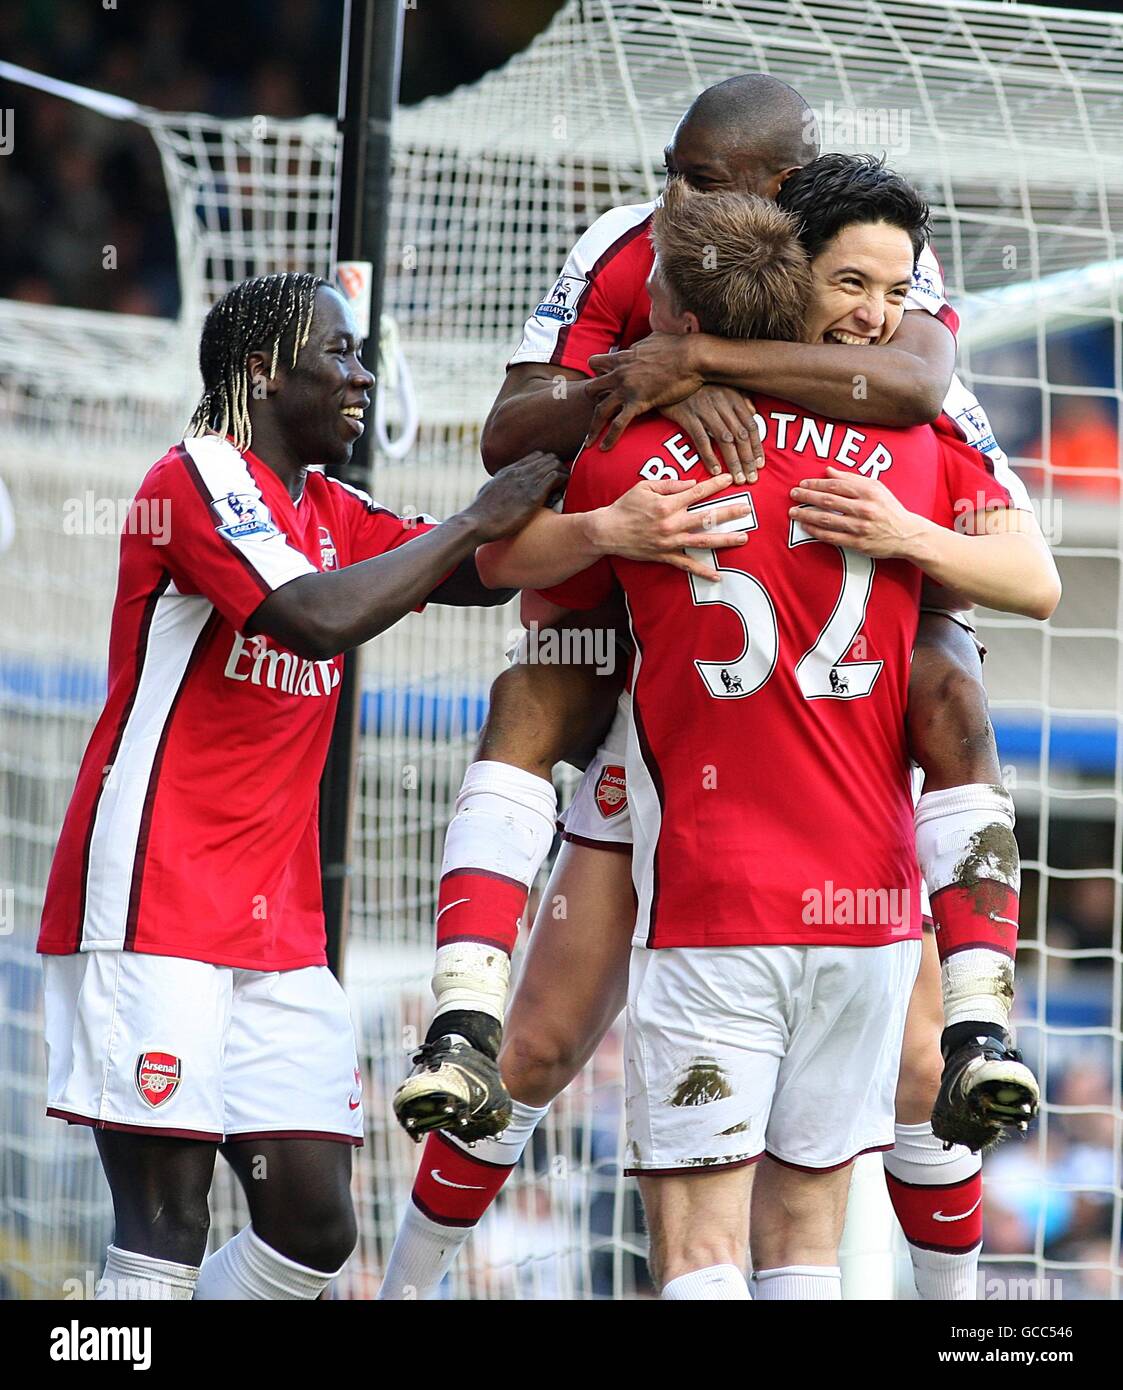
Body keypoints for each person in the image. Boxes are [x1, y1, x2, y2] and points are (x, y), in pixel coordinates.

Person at [385, 74, 1041, 1300]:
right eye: (671, 171)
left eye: (698, 177)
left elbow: (912, 381)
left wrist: (698, 362)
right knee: (540, 1042)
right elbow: (511, 428)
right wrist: (662, 386)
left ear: (781, 194)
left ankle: (975, 1054)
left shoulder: (865, 266)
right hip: (668, 685)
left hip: (807, 732)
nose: (670, 196)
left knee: (913, 1074)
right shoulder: (629, 247)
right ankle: (438, 1128)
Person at [36, 270, 719, 1301]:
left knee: (312, 1233)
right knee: (166, 1226)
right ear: (263, 372)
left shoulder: (327, 507)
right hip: (152, 899)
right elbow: (314, 617)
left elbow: (467, 572)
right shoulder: (196, 476)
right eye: (339, 354)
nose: (361, 376)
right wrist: (474, 519)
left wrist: (603, 523)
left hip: (275, 925)